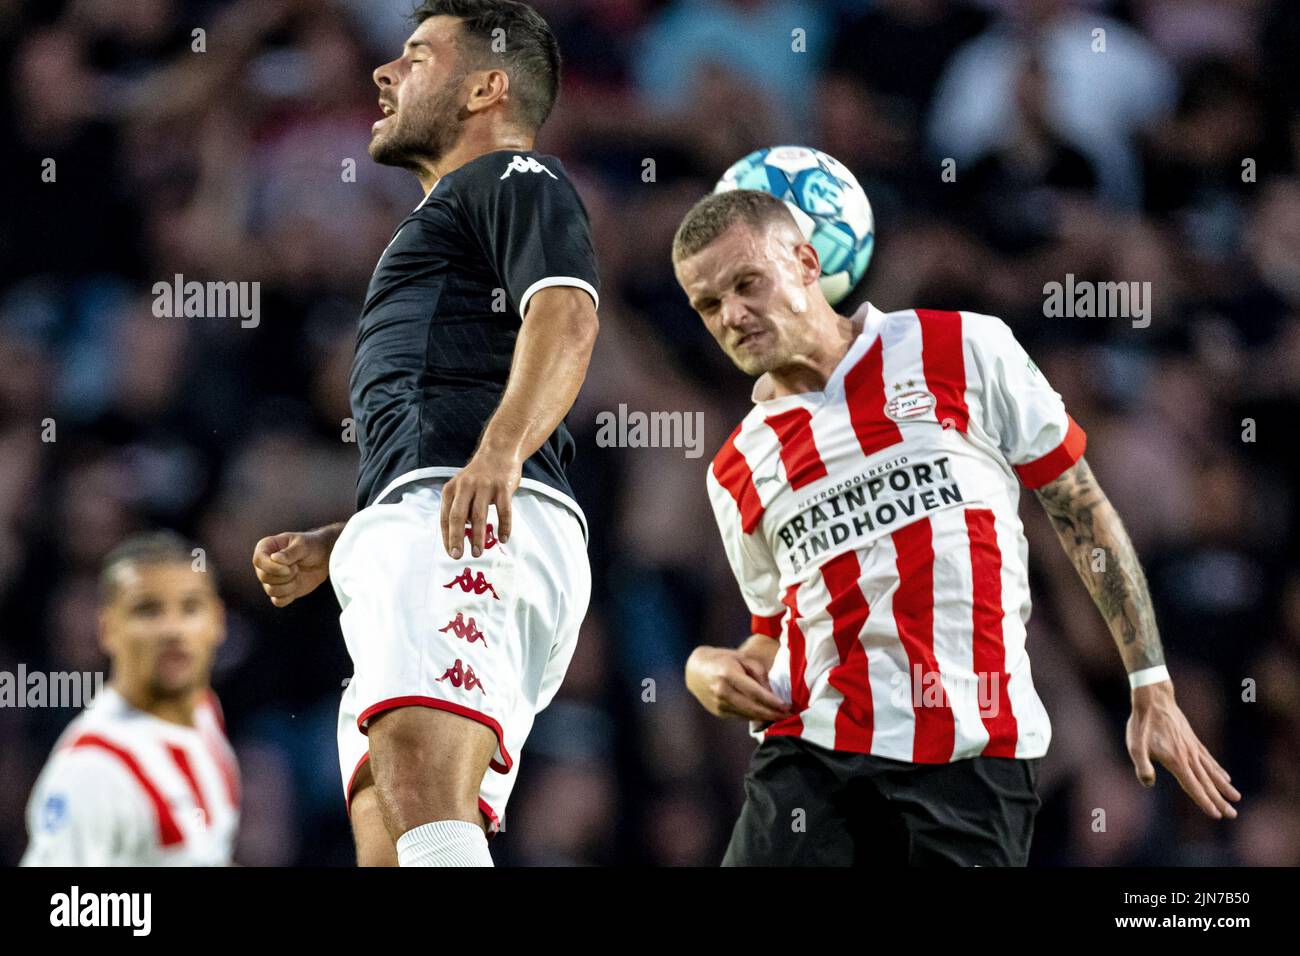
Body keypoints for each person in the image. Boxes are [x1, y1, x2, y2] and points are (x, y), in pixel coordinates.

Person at [673, 188, 1240, 866]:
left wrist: (1151, 682)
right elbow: (776, 637)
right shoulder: (737, 466)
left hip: (974, 756)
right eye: (707, 306)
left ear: (802, 262)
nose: (732, 315)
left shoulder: (962, 345)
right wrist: (705, 668)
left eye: (746, 283)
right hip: (814, 756)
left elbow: (1080, 509)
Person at [251, 0, 599, 867]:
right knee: (398, 836)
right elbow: (446, 410)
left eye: (416, 55)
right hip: (433, 524)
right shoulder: (444, 220)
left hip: (467, 528)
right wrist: (346, 536)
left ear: (487, 85)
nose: (384, 71)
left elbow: (565, 313)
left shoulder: (516, 178)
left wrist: (501, 450)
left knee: (417, 783)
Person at [22, 531, 239, 866]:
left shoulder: (205, 712)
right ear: (108, 629)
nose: (173, 629)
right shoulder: (90, 769)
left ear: (218, 620)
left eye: (190, 608)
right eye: (148, 610)